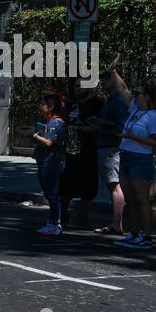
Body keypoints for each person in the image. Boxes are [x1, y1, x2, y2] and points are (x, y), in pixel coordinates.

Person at [117, 82, 156, 249]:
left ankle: (146, 236)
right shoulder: (135, 110)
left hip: (141, 159)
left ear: (147, 97)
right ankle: (134, 233)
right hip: (126, 156)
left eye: (138, 93)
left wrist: (132, 137)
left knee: (142, 199)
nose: (135, 95)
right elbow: (123, 89)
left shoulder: (154, 116)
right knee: (130, 199)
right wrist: (114, 71)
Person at [85, 64, 130, 235]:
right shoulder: (112, 98)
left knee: (115, 187)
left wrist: (101, 122)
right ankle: (116, 223)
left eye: (107, 78)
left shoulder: (118, 100)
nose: (102, 82)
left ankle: (117, 224)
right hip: (107, 147)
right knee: (115, 186)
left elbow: (121, 127)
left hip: (112, 148)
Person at [60, 79, 101, 229]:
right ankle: (63, 214)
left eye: (80, 86)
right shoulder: (72, 104)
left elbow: (98, 128)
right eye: (75, 86)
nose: (77, 89)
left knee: (87, 186)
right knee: (65, 185)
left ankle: (83, 217)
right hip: (70, 149)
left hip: (88, 151)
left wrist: (79, 129)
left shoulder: (97, 104)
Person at [31, 93, 69, 236]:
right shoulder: (49, 121)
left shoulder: (57, 123)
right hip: (46, 161)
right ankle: (52, 221)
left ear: (51, 106)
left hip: (52, 161)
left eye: (43, 104)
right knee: (49, 193)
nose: (41, 107)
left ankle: (55, 223)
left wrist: (34, 136)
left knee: (52, 194)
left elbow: (49, 142)